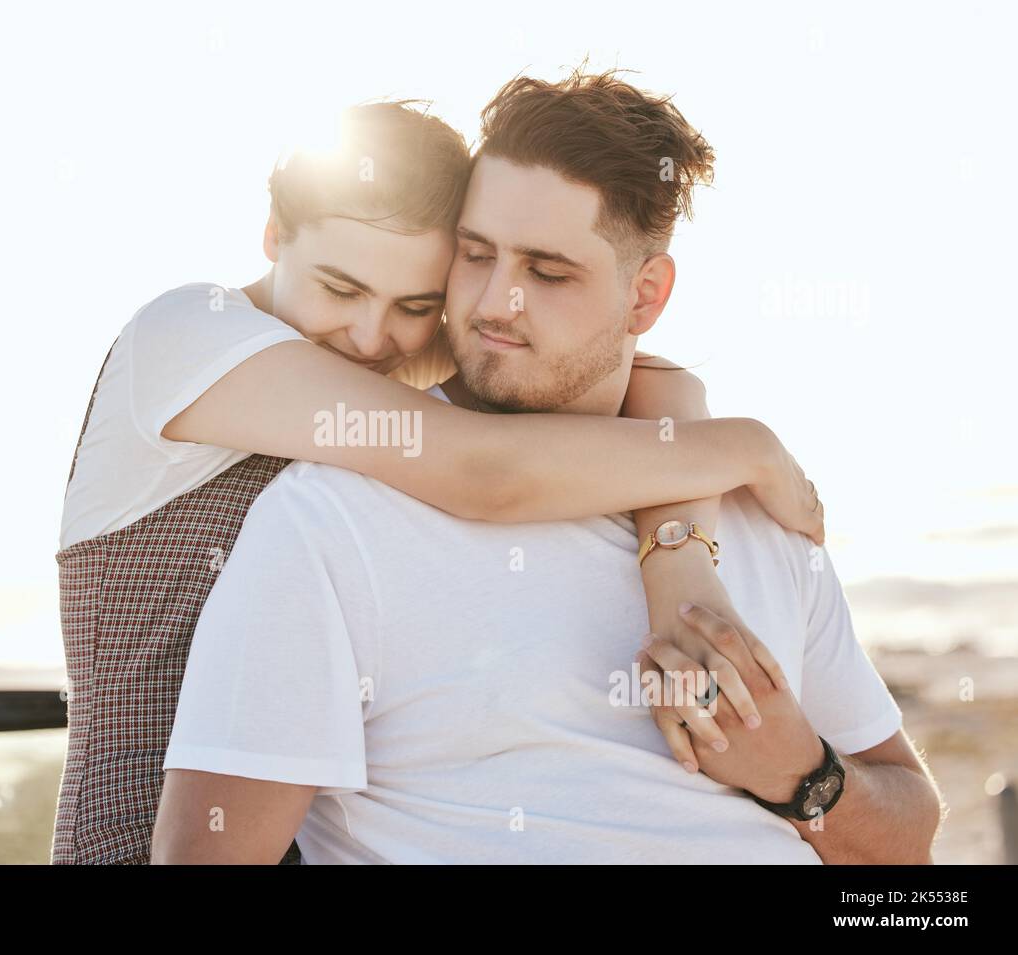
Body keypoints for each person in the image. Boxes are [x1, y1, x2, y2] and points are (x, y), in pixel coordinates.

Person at [152, 68, 942, 864]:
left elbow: (909, 842)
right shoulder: (332, 517)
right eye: (476, 255)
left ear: (645, 298)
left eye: (549, 272)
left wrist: (804, 774)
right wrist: (742, 451)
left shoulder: (757, 516)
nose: (497, 303)